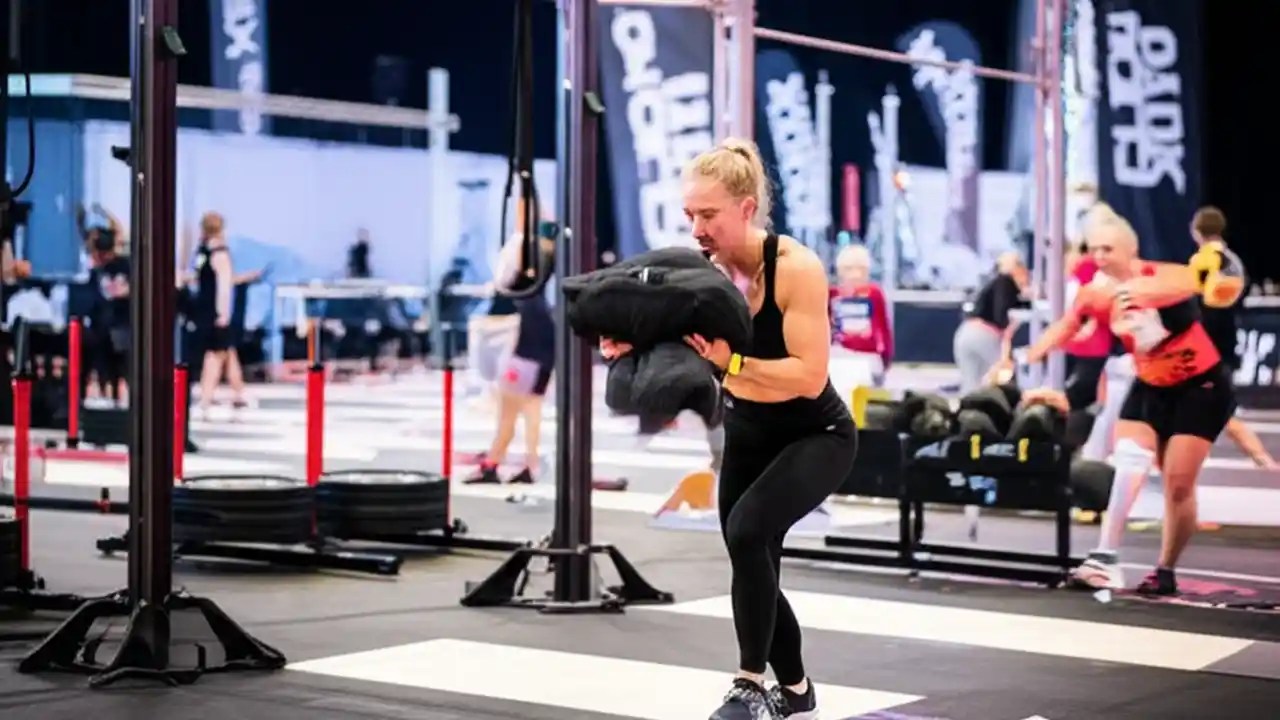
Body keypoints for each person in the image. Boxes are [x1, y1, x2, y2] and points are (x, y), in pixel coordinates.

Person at [602, 138, 855, 719]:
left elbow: (810, 377)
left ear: (746, 209)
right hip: (747, 432)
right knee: (752, 554)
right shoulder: (697, 275)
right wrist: (626, 350)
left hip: (815, 434)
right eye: (690, 215)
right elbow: (668, 343)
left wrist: (731, 363)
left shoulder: (796, 269)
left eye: (708, 215)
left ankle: (747, 686)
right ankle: (794, 689)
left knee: (746, 533)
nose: (696, 228)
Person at [1016, 211, 1244, 595]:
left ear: (1130, 248)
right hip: (1150, 385)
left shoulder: (1165, 275)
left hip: (1200, 389)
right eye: (1094, 249)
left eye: (1108, 248)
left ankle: (1165, 569)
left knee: (1177, 486)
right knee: (1129, 461)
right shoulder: (1095, 293)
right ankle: (1105, 557)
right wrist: (1027, 355)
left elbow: (1193, 284)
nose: (1100, 256)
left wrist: (1133, 292)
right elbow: (1069, 324)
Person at [465, 203, 556, 486]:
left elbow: (504, 281)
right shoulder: (547, 249)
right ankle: (528, 463)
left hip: (524, 333)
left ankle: (494, 461)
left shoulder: (525, 249)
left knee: (510, 404)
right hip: (539, 330)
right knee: (530, 405)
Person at [1190, 207, 1276, 468]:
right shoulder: (1234, 260)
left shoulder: (1202, 260)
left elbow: (1195, 300)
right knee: (1212, 405)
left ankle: (1260, 455)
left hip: (1205, 342)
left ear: (1196, 231)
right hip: (1227, 338)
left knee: (1216, 407)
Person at [953, 251, 1028, 394]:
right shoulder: (1005, 282)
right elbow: (1001, 315)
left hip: (965, 333)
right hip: (983, 335)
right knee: (1004, 375)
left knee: (972, 382)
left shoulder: (991, 283)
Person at [828, 244, 892, 388]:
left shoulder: (874, 293)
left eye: (860, 269)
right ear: (840, 271)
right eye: (849, 269)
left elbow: (884, 330)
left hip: (866, 358)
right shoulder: (832, 294)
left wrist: (885, 361)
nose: (855, 274)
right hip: (839, 356)